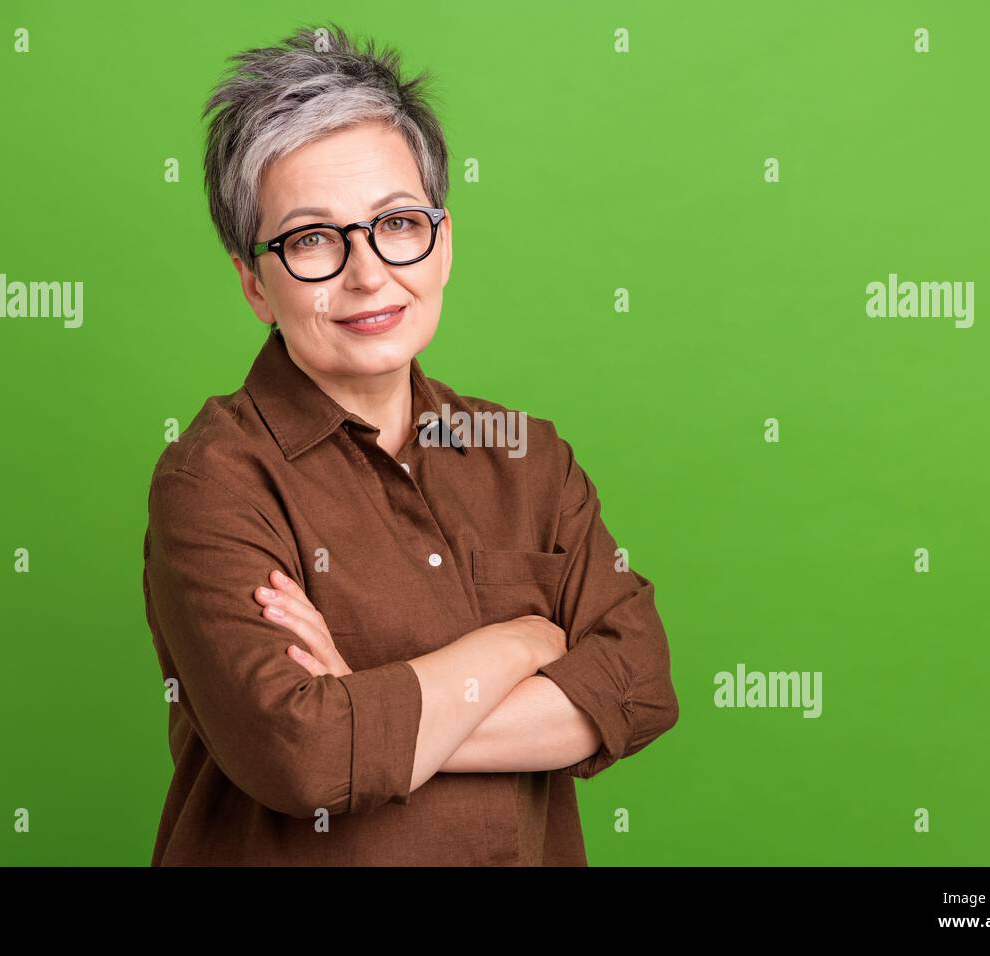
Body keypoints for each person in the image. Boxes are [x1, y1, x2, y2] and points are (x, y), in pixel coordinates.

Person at [142, 22, 679, 866]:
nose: (368, 274)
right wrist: (521, 644)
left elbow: (641, 688)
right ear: (254, 281)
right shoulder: (212, 480)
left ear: (443, 241)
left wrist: (364, 710)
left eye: (397, 223)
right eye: (313, 239)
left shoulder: (528, 458)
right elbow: (304, 757)